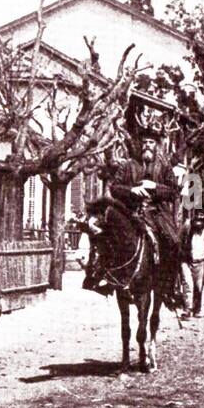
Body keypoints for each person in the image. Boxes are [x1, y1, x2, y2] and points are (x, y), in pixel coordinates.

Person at [83, 128, 188, 309]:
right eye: (145, 142)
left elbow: (173, 192)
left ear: (156, 146)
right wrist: (131, 190)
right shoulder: (128, 165)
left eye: (151, 142)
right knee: (104, 235)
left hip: (157, 213)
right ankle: (102, 278)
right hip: (129, 210)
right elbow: (115, 188)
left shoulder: (164, 166)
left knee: (173, 242)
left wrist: (154, 186)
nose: (147, 145)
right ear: (140, 145)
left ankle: (170, 287)